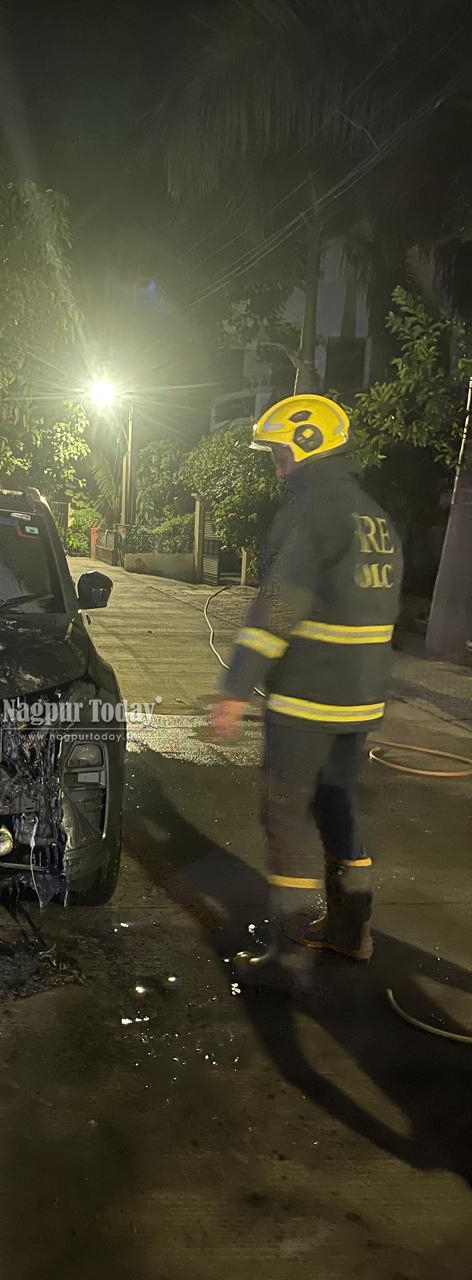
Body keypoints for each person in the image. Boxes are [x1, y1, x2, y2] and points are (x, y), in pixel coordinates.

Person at [211, 393, 402, 985]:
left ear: (307, 443)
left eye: (277, 450)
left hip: (307, 699)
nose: (274, 462)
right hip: (361, 699)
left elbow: (277, 609)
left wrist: (236, 688)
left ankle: (286, 951)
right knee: (338, 809)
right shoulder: (374, 516)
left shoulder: (311, 508)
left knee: (284, 815)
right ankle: (351, 932)